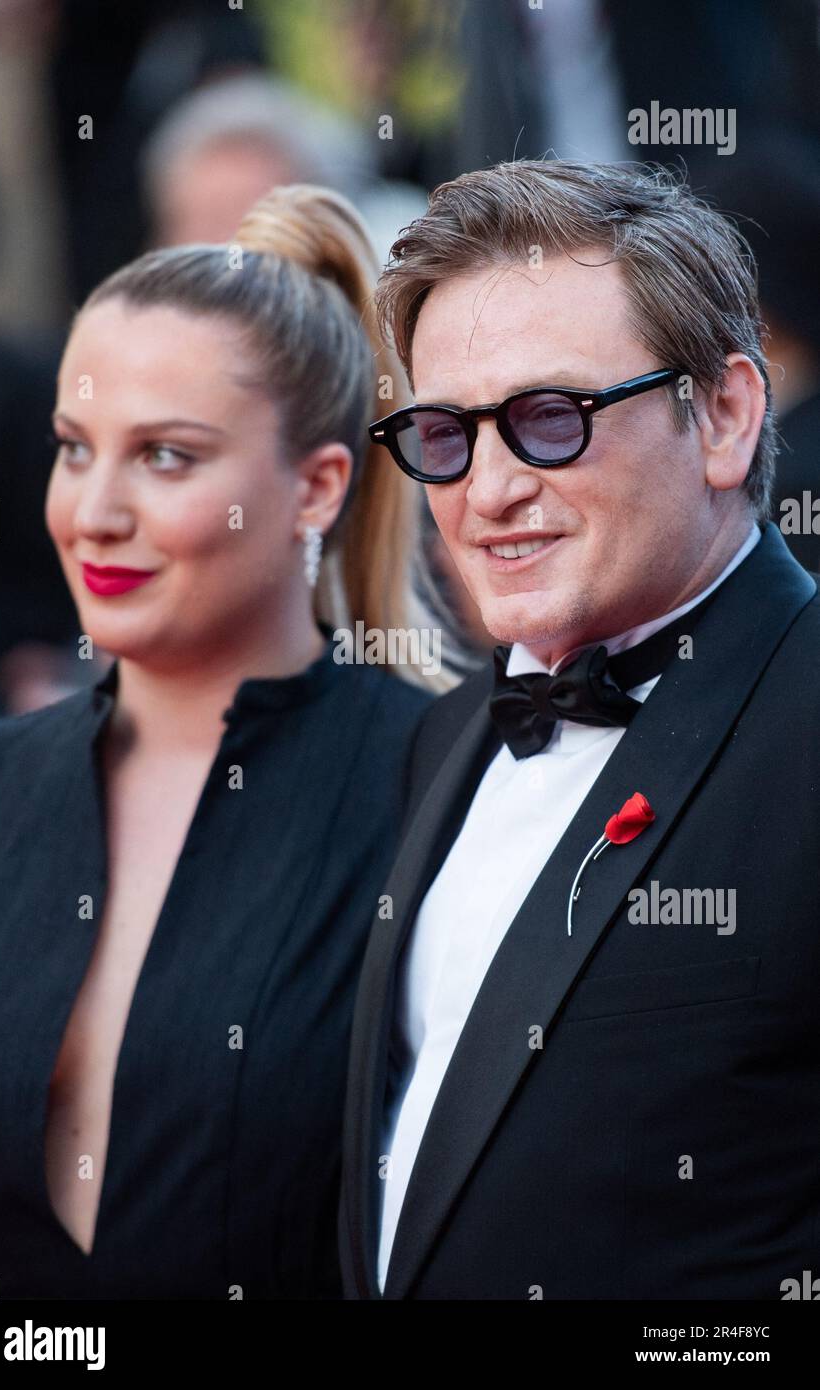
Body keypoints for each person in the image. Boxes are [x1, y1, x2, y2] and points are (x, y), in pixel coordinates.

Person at [340, 159, 820, 1300]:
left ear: (723, 417)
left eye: (549, 419)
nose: (488, 488)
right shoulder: (444, 737)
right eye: (446, 437)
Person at [0, 184, 439, 1300]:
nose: (95, 510)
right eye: (75, 450)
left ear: (316, 485)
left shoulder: (440, 789)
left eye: (166, 457)